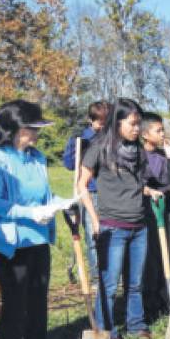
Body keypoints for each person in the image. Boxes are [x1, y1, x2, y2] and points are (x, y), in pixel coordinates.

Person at [78, 98, 162, 339]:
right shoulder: (99, 148)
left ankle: (136, 325)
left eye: (139, 124)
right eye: (133, 124)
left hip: (139, 226)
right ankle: (107, 330)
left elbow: (134, 181)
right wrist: (94, 219)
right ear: (118, 122)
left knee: (134, 282)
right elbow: (81, 185)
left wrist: (147, 190)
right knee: (109, 284)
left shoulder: (136, 150)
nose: (137, 129)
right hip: (112, 226)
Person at [0, 100, 61, 339]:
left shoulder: (38, 157)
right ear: (15, 129)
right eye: (32, 129)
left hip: (39, 239)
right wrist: (30, 213)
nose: (36, 134)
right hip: (13, 243)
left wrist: (57, 205)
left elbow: (43, 193)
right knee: (16, 306)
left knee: (37, 302)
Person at [63, 101, 110, 285]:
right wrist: (75, 148)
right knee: (93, 234)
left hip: (110, 192)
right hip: (89, 192)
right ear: (91, 120)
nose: (103, 126)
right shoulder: (82, 138)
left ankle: (112, 273)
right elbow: (69, 165)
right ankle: (98, 278)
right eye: (100, 122)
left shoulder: (111, 137)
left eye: (106, 121)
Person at [140, 112, 170, 322]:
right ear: (145, 134)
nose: (163, 133)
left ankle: (166, 297)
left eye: (162, 129)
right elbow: (141, 181)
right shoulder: (138, 155)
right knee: (149, 257)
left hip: (164, 209)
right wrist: (154, 188)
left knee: (165, 254)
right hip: (146, 211)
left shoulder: (163, 156)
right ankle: (149, 302)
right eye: (158, 130)